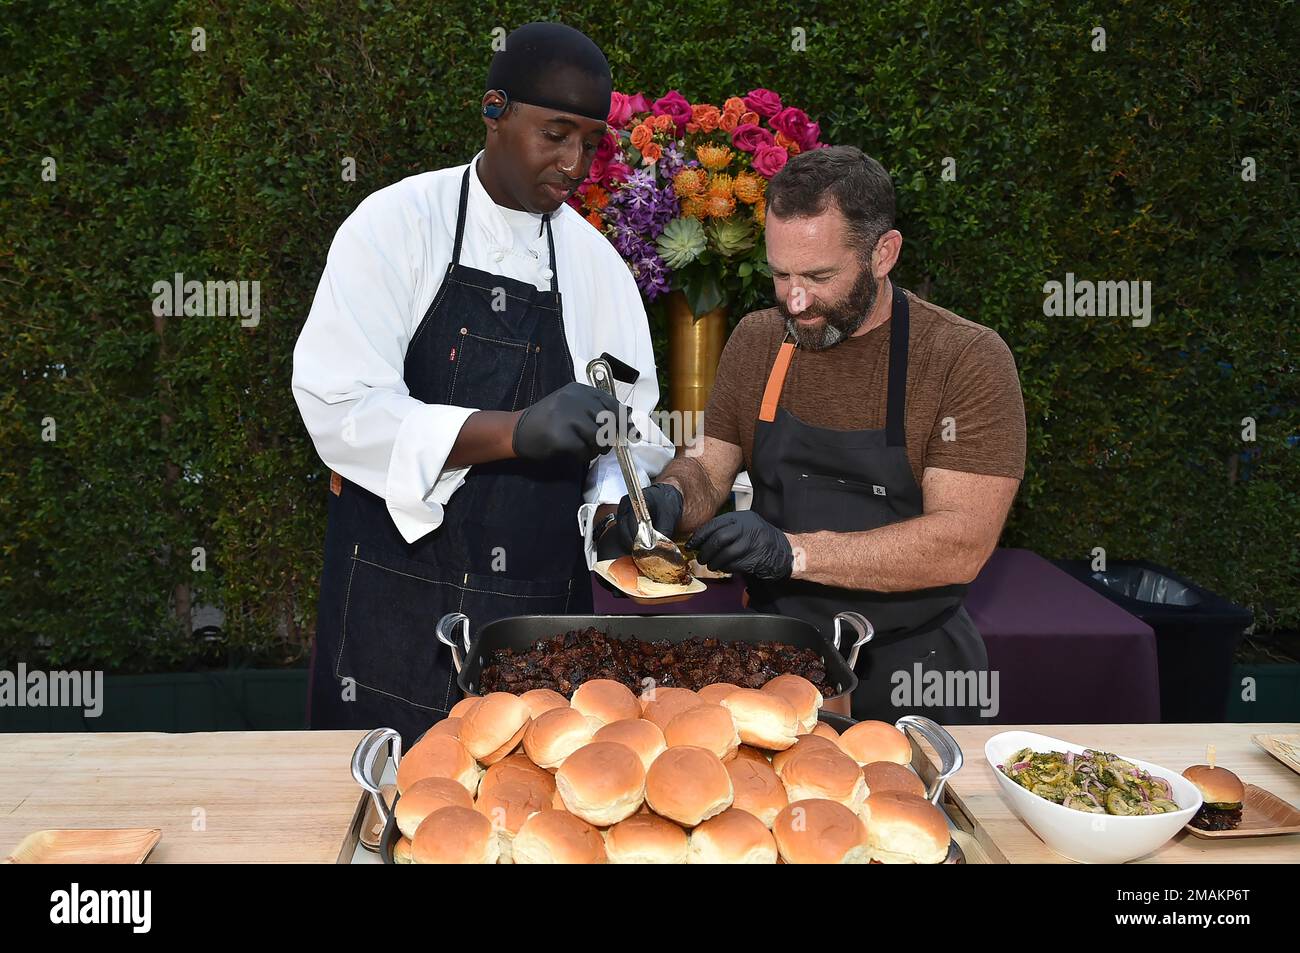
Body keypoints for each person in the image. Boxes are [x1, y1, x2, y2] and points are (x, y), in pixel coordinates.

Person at [293, 22, 670, 743]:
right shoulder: (393, 226)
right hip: (391, 606)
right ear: (493, 109)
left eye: (590, 143)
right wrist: (514, 431)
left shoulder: (599, 270)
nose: (573, 163)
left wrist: (622, 501)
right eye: (555, 134)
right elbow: (340, 409)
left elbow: (635, 433)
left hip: (536, 625)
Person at [613, 146, 1025, 723]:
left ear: (884, 253)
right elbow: (707, 465)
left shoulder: (964, 358)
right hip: (776, 657)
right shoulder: (759, 341)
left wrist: (793, 552)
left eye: (819, 276)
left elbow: (960, 542)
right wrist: (670, 498)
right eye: (780, 274)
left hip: (918, 668)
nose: (795, 299)